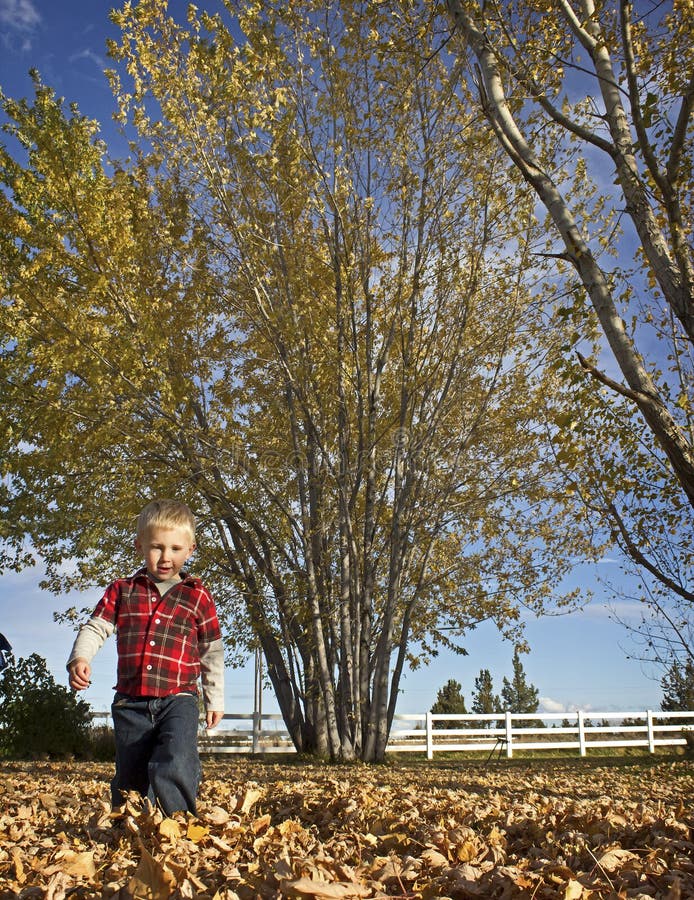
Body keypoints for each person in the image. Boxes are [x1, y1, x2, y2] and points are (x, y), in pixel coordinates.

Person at [67, 499, 224, 815]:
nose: (166, 557)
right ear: (140, 546)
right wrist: (80, 657)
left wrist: (214, 699)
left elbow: (211, 651)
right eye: (156, 547)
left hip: (178, 698)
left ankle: (175, 823)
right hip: (131, 702)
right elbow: (96, 627)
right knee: (131, 774)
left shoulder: (197, 595)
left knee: (177, 757)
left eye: (175, 549)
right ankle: (128, 825)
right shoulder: (123, 590)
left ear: (190, 549)